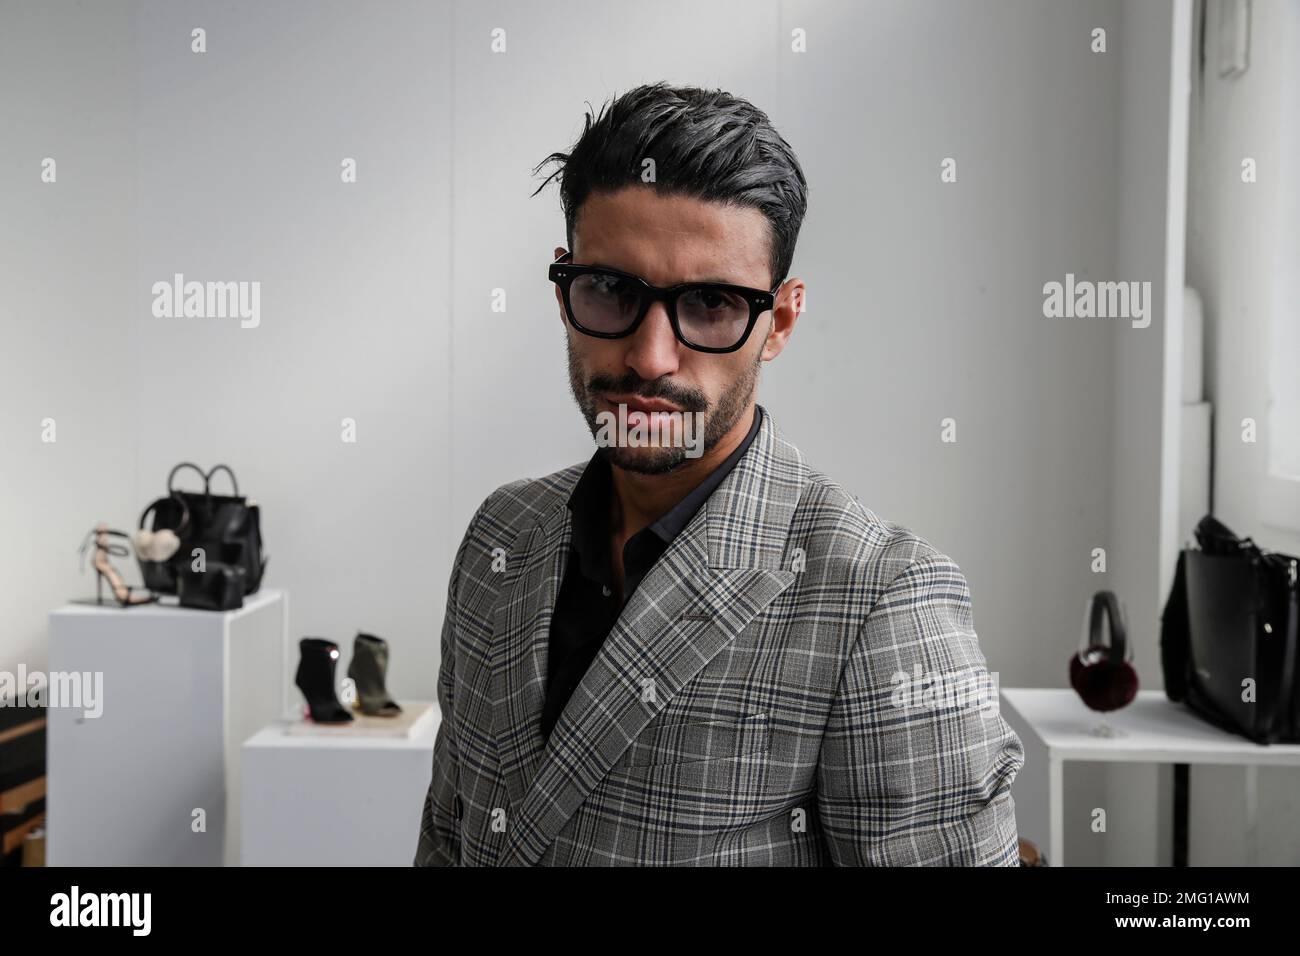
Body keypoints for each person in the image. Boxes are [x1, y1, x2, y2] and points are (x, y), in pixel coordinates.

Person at [416, 82, 1022, 866]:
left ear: (782, 321)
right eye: (611, 290)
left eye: (709, 304)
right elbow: (447, 834)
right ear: (564, 285)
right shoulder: (501, 536)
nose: (650, 357)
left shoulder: (883, 599)